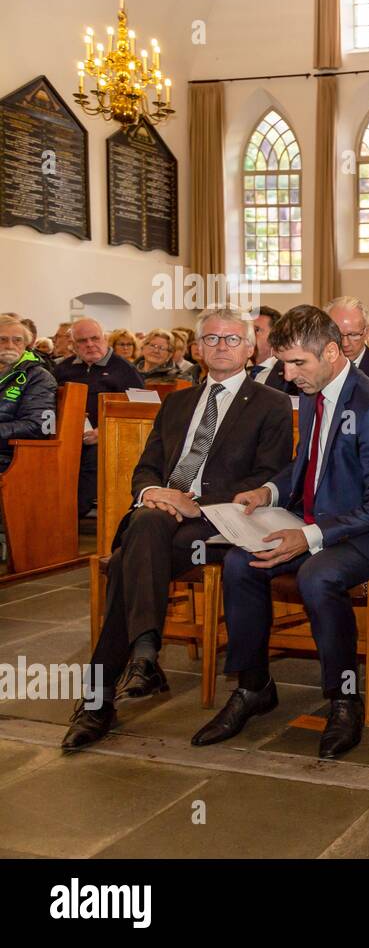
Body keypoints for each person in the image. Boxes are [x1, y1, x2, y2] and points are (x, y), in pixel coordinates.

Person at [60, 308, 293, 749]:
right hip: (163, 519)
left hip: (222, 524)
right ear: (197, 348)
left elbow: (267, 476)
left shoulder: (271, 404)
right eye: (210, 339)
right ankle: (141, 656)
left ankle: (103, 696)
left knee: (132, 558)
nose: (220, 346)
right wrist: (154, 494)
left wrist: (193, 505)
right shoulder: (177, 402)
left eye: (231, 339)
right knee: (146, 524)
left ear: (249, 349)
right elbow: (148, 466)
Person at [192, 306, 369, 759]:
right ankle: (254, 686)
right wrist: (269, 493)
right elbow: (305, 465)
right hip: (316, 524)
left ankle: (343, 698)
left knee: (318, 576)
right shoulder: (316, 392)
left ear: (332, 352)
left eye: (299, 364)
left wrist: (310, 538)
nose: (289, 375)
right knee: (239, 562)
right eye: (284, 364)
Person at [54, 318, 145, 517]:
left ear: (104, 338)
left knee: (92, 458)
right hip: (67, 436)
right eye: (82, 341)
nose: (89, 344)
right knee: (46, 460)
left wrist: (103, 431)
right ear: (74, 344)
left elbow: (141, 411)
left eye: (94, 338)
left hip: (107, 439)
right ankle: (51, 516)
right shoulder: (63, 369)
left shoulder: (125, 370)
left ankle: (69, 517)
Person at [0, 315, 57, 473]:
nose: (9, 345)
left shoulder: (38, 377)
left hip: (12, 457)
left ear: (27, 344)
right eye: (2, 339)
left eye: (17, 340)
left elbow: (38, 426)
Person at [249, 306, 298, 394]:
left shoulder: (291, 375)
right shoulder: (238, 371)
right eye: (247, 331)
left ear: (275, 336)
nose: (249, 336)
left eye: (256, 330)